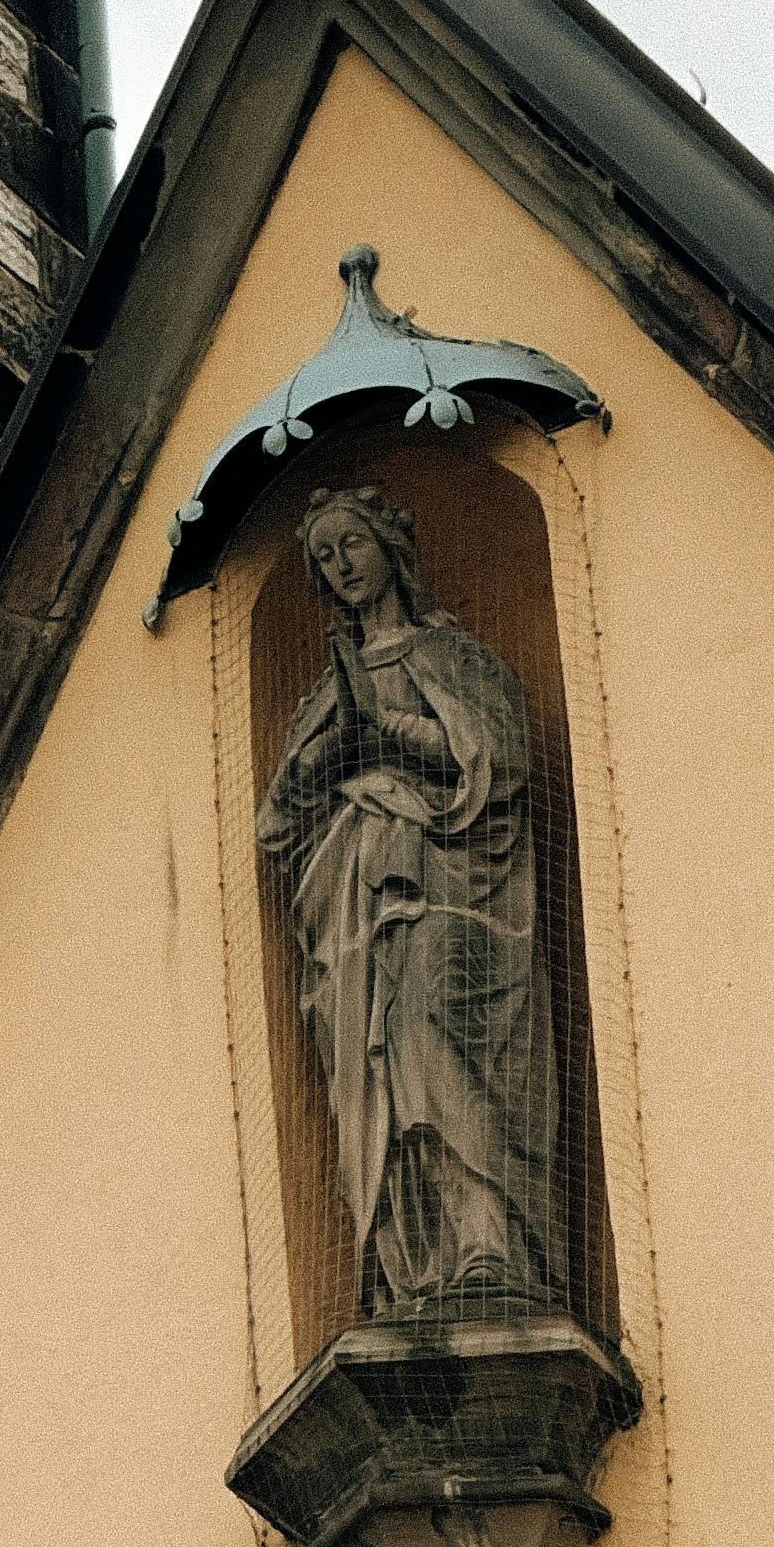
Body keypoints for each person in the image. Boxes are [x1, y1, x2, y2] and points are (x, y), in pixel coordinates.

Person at [257, 481, 562, 1320]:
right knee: (377, 1074)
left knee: (429, 1028)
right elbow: (276, 826)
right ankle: (414, 1269)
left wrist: (384, 732)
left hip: (449, 891)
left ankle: (489, 1244)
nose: (340, 566)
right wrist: (325, 758)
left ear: (390, 547)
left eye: (351, 544)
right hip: (352, 914)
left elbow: (500, 757)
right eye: (324, 557)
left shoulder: (451, 657)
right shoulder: (322, 697)